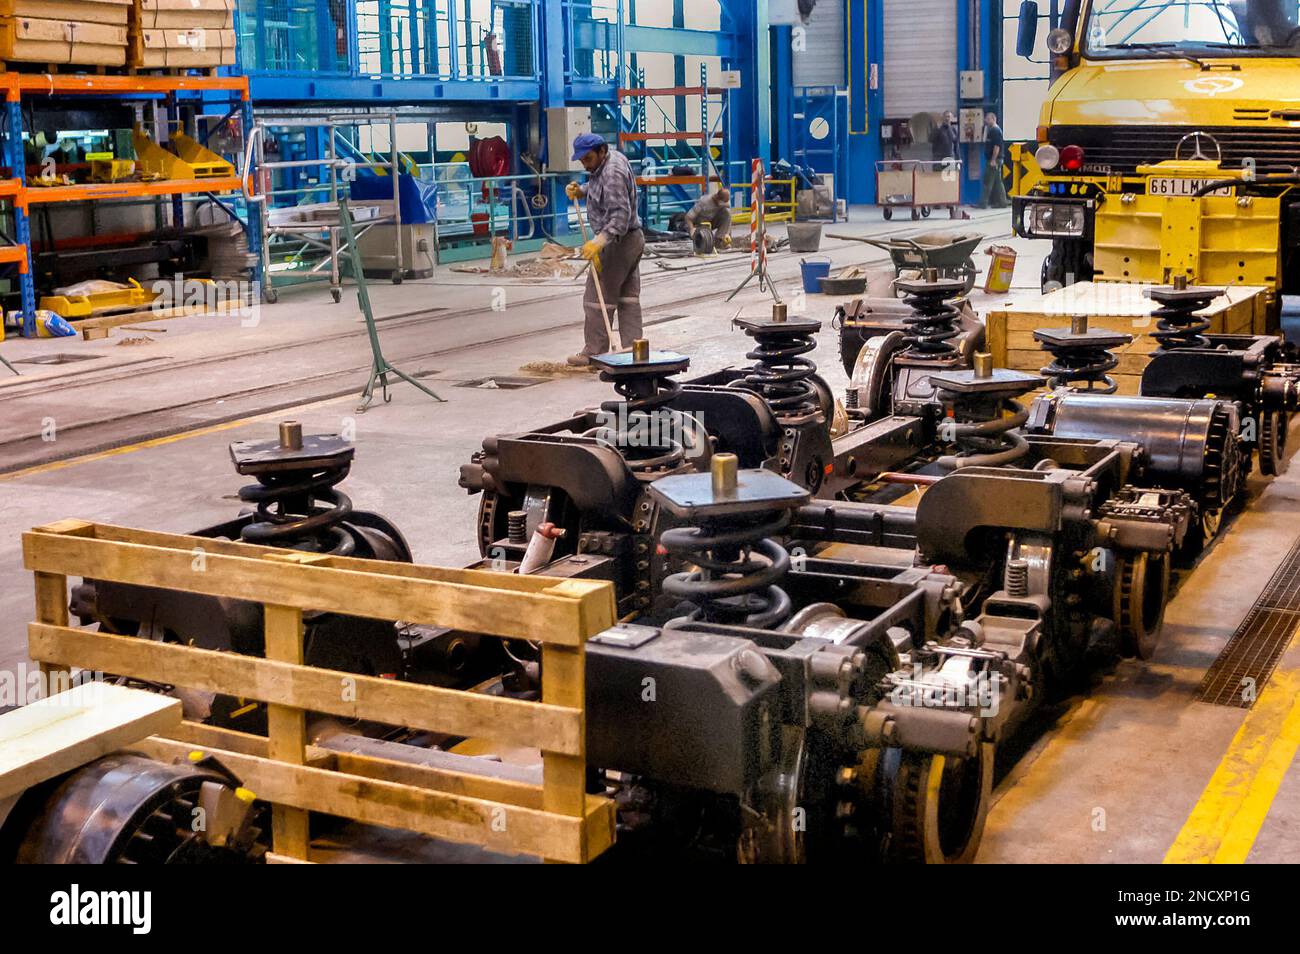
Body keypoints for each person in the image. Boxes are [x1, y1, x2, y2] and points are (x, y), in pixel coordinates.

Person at [564, 132, 644, 367]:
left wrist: (599, 242)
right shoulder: (611, 160)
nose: (585, 165)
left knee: (596, 300)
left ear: (602, 151)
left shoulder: (612, 173)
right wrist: (583, 191)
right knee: (628, 299)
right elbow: (599, 185)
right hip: (632, 240)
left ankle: (594, 353)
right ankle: (634, 350)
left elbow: (620, 217)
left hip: (617, 243)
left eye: (588, 159)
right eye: (582, 160)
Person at [978, 111, 1008, 209]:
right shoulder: (992, 130)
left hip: (994, 160)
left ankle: (983, 203)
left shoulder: (995, 131)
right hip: (995, 159)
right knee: (998, 182)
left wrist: (993, 160)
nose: (986, 121)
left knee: (988, 181)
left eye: (988, 119)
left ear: (993, 119)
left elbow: (997, 146)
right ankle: (1003, 202)